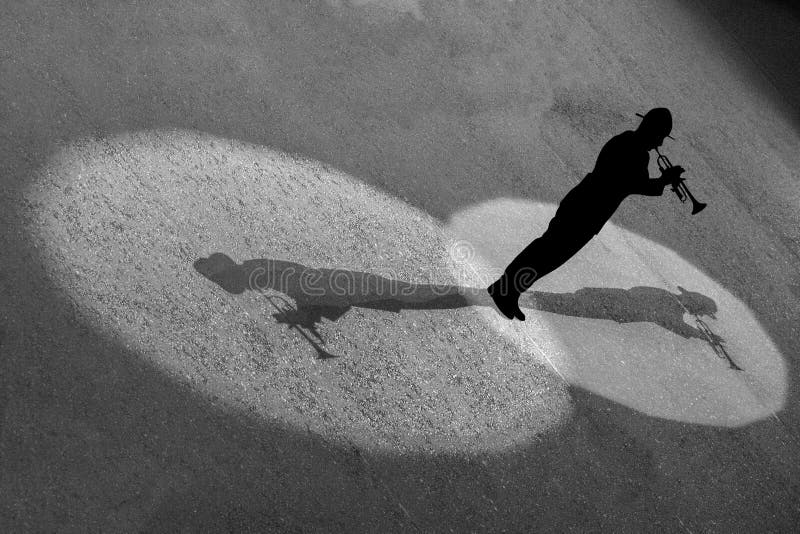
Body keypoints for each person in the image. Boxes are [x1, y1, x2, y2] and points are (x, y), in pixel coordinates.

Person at [487, 107, 685, 320]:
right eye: (660, 137)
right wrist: (663, 181)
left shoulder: (632, 147)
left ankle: (508, 291)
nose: (660, 144)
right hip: (585, 210)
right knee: (546, 252)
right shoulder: (631, 149)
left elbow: (635, 183)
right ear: (651, 130)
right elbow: (630, 184)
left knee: (548, 255)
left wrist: (661, 182)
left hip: (586, 209)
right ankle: (504, 290)